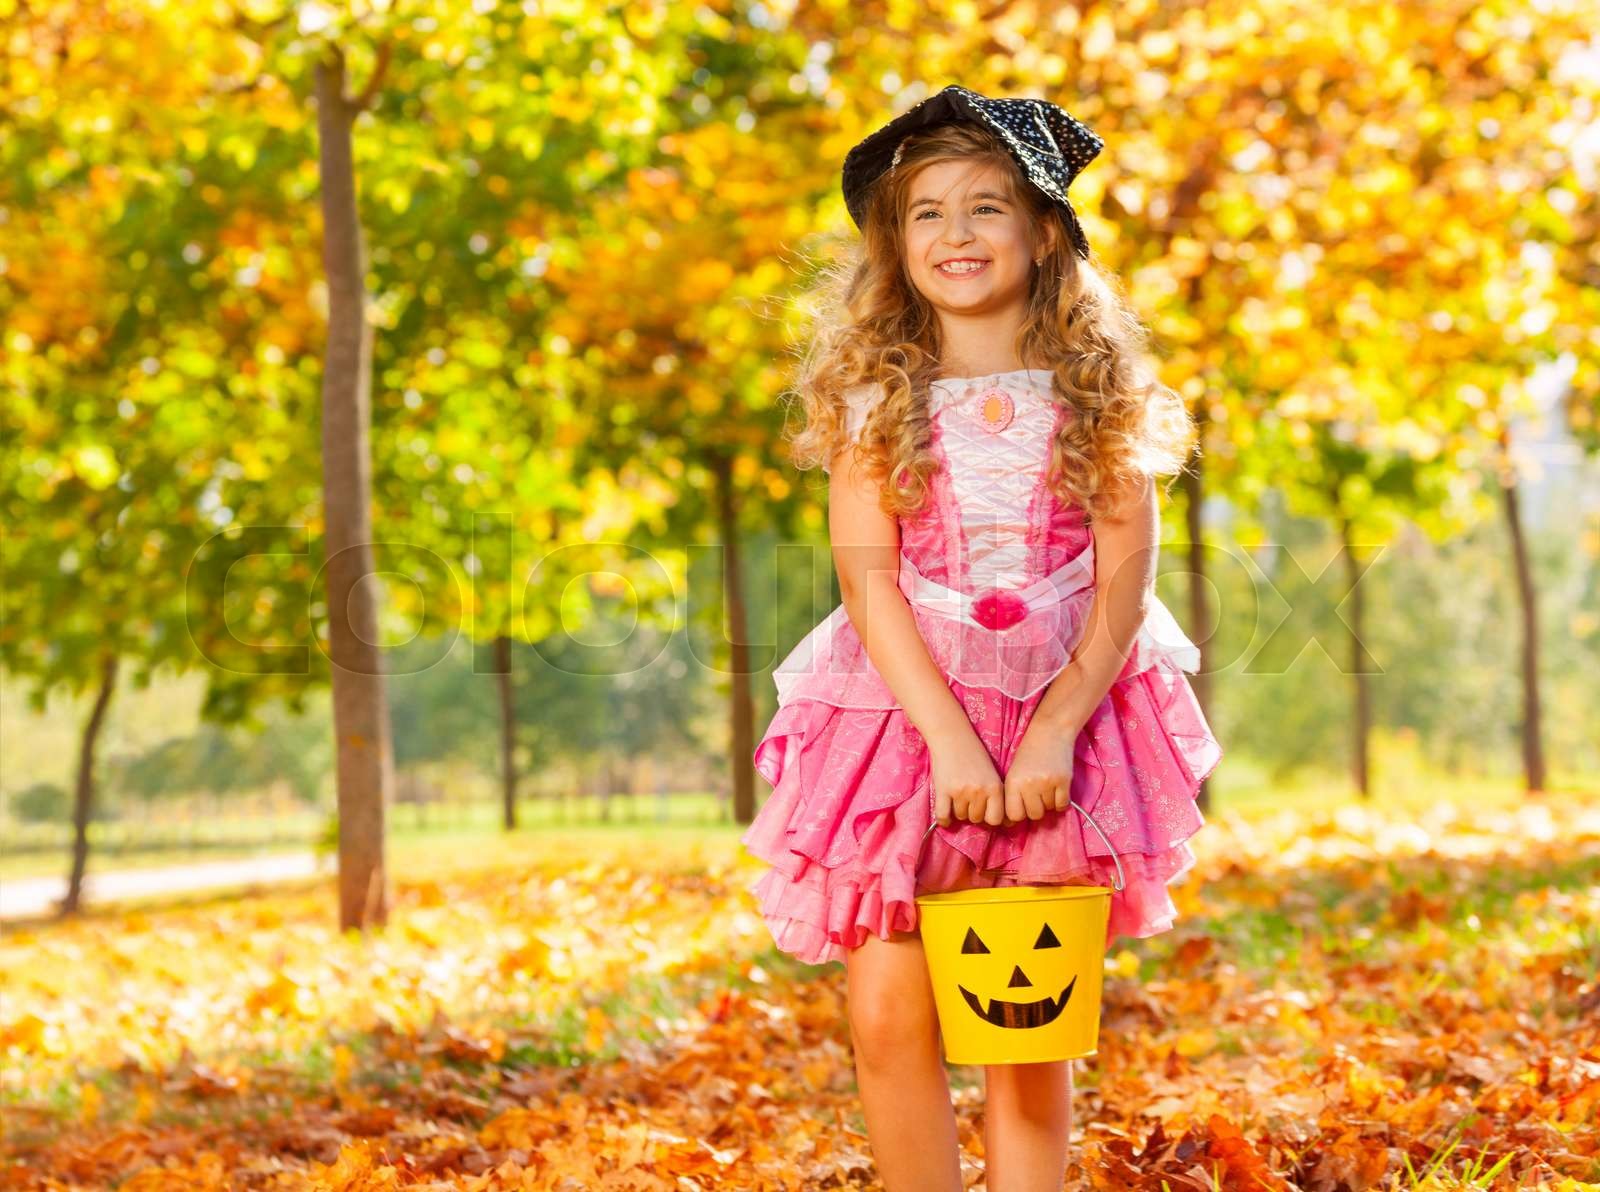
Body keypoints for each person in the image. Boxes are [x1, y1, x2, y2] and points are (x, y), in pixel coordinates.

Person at [739, 85, 1224, 1191]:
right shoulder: (876, 399)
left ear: (1044, 229)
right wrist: (951, 741)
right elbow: (869, 587)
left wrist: (1055, 727)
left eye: (986, 209)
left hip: (1063, 719)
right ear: (894, 243)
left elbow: (1122, 588)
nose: (955, 236)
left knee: (1027, 1018)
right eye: (927, 215)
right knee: (888, 1007)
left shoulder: (1098, 399)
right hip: (906, 721)